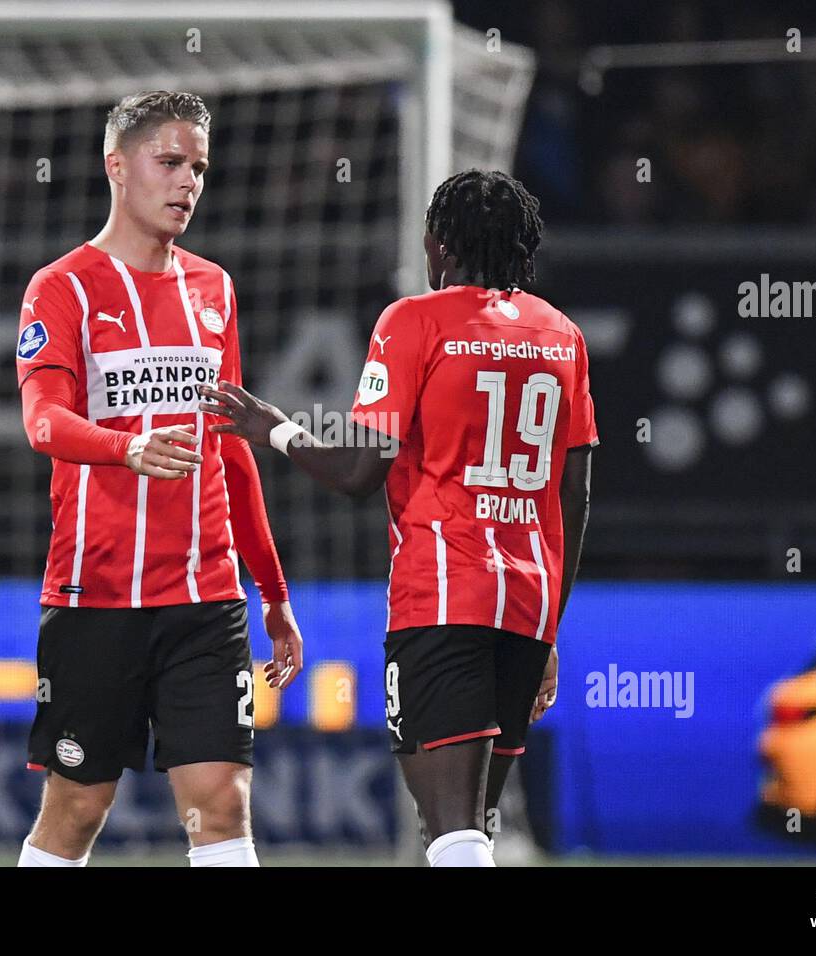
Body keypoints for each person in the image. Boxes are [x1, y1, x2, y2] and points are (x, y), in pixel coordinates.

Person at [200, 169, 596, 867]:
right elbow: (574, 496)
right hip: (528, 607)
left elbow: (358, 473)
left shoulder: (412, 322)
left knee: (451, 831)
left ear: (440, 242)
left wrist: (276, 431)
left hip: (443, 598)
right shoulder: (561, 335)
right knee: (471, 826)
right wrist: (551, 631)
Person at [14, 91, 303, 868]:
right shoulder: (63, 288)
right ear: (117, 166)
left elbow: (234, 448)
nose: (188, 184)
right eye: (170, 162)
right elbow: (43, 423)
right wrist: (127, 448)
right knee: (76, 809)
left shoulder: (215, 290)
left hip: (206, 601)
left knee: (221, 807)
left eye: (199, 168)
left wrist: (271, 594)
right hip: (94, 596)